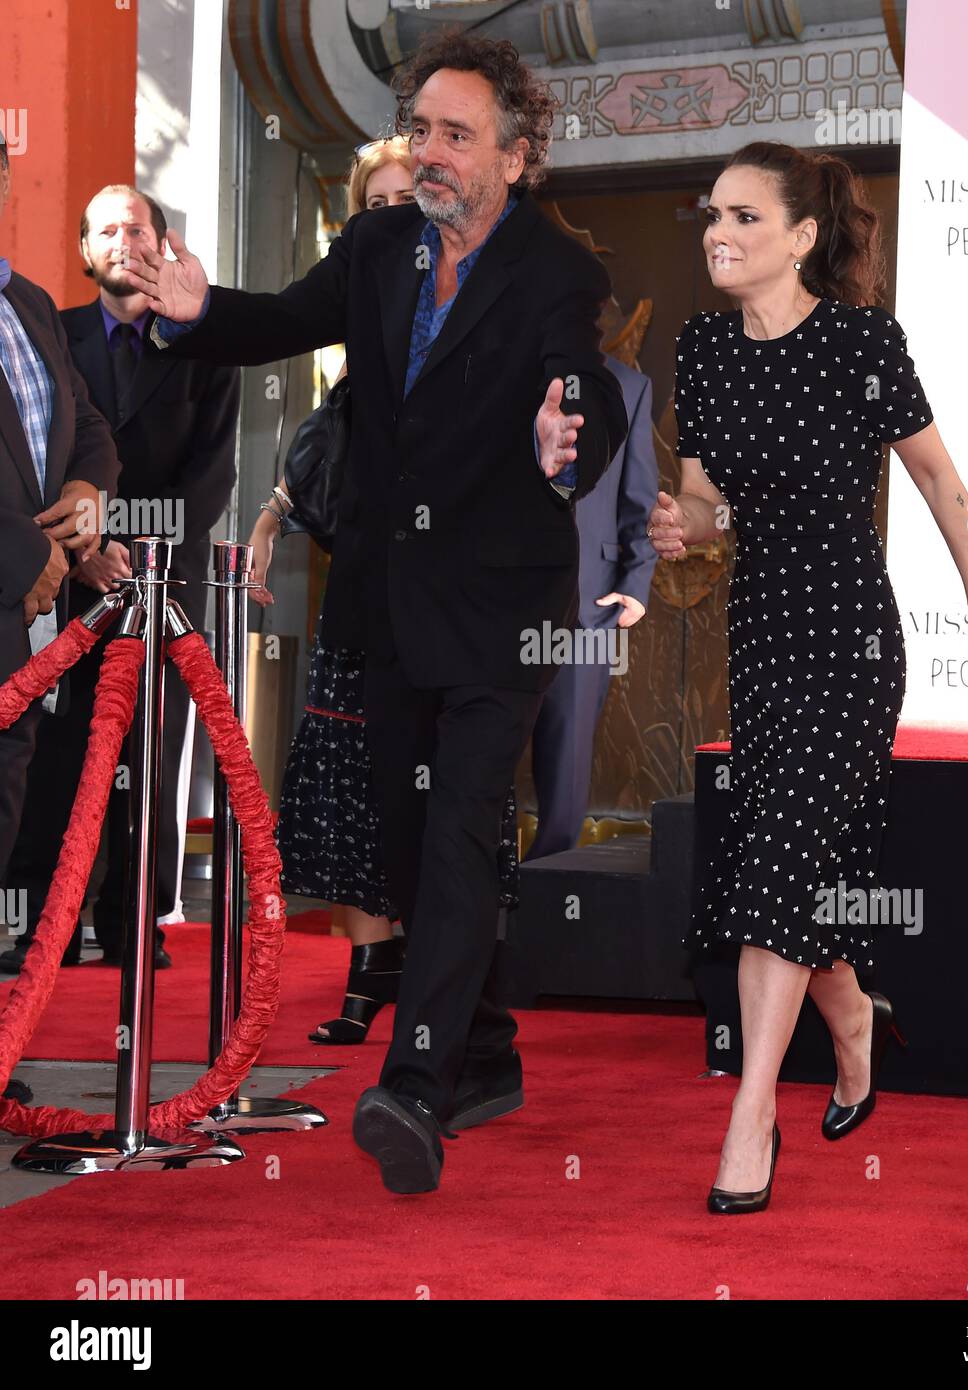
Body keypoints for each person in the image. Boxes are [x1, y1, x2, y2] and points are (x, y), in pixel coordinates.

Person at [123, 30, 628, 1193]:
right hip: (388, 603)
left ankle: (415, 1081)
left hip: (502, 606)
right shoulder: (379, 242)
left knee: (455, 828)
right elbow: (284, 318)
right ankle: (487, 1046)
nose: (432, 153)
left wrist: (571, 439)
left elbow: (581, 388)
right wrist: (203, 310)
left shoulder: (555, 269)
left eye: (457, 135)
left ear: (515, 154)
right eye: (422, 131)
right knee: (406, 851)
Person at [649, 141, 968, 1214]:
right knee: (790, 862)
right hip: (758, 635)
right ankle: (851, 1018)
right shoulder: (704, 348)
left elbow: (941, 483)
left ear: (802, 237)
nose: (719, 231)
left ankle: (748, 1116)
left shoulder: (861, 342)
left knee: (772, 864)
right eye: (712, 213)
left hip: (851, 642)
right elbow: (708, 504)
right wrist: (685, 529)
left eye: (745, 217)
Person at [248, 137, 519, 1045]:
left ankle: (450, 985)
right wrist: (273, 511)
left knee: (444, 797)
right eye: (378, 203)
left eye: (413, 197)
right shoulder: (357, 325)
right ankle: (369, 975)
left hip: (455, 607)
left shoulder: (476, 316)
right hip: (361, 594)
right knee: (348, 783)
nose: (396, 216)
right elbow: (325, 441)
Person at [1, 185, 238, 975]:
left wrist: (137, 546)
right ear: (83, 250)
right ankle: (48, 925)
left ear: (161, 241)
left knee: (152, 747)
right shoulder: (52, 327)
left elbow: (212, 475)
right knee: (59, 750)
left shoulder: (204, 345)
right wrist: (83, 548)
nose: (120, 238)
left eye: (135, 226)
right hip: (66, 579)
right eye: (103, 227)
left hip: (164, 581)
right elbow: (57, 453)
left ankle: (137, 924)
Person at [0, 129, 121, 1070]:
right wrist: (24, 555)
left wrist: (85, 500)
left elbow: (87, 425)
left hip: (23, 627)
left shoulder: (31, 302)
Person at [523, 350, 657, 861]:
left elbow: (639, 499)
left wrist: (635, 585)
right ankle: (478, 910)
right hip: (497, 602)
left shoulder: (629, 385)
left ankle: (543, 910)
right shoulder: (504, 365)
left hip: (590, 607)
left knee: (566, 773)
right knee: (478, 765)